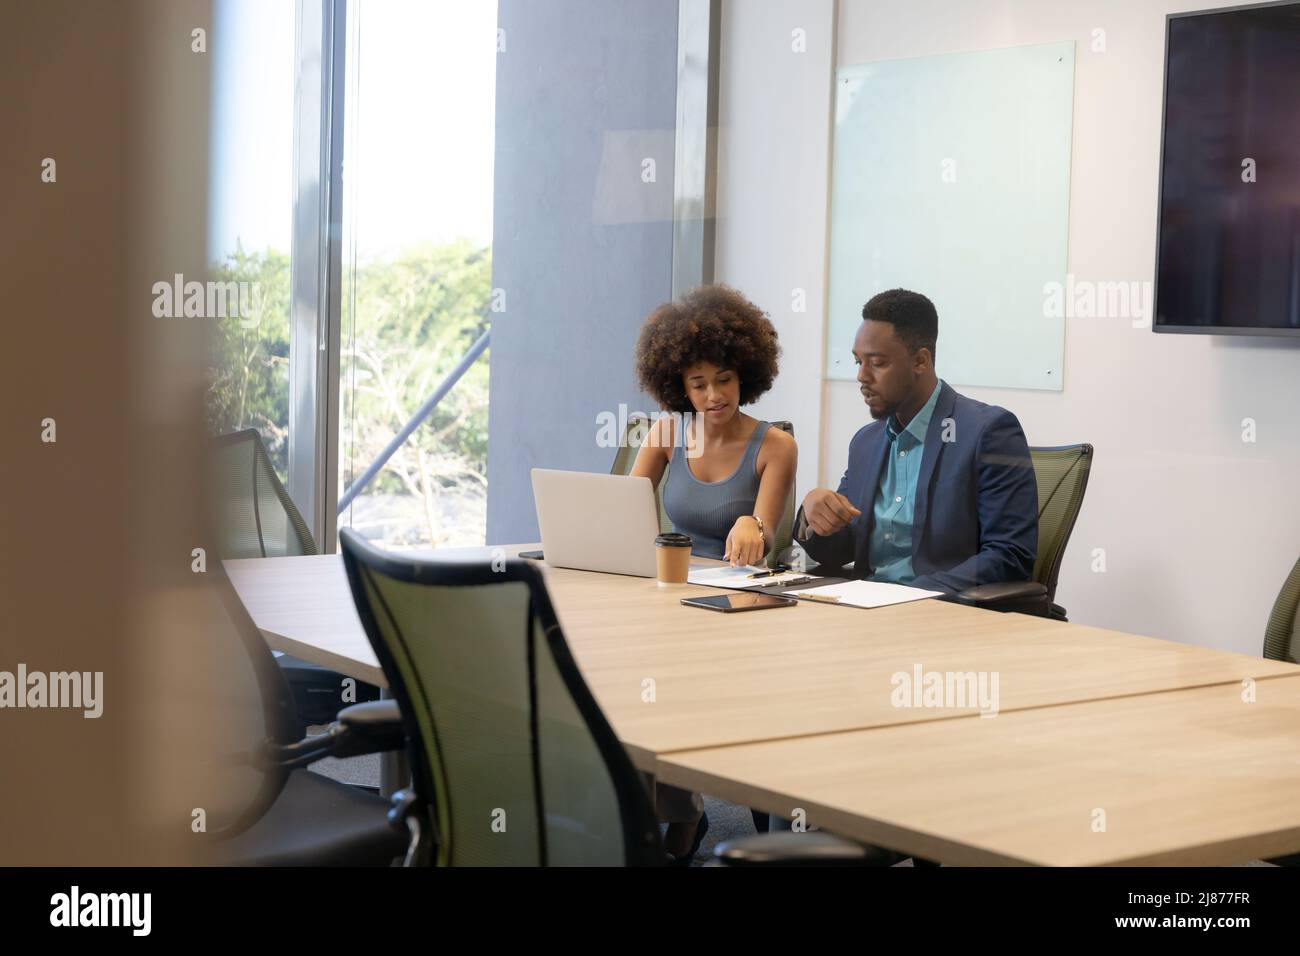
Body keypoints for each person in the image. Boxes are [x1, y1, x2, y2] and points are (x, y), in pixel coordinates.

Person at [629, 283, 797, 863]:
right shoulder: (668, 434)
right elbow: (621, 511)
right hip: (671, 592)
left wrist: (753, 522)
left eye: (723, 378)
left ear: (744, 373)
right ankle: (675, 812)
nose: (712, 394)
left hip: (737, 602)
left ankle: (683, 815)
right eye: (697, 383)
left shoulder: (773, 444)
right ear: (678, 384)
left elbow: (768, 533)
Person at [795, 288, 1037, 592]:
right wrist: (813, 515)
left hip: (942, 616)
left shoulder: (987, 432)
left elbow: (1009, 556)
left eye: (877, 363)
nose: (861, 376)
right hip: (865, 612)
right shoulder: (866, 443)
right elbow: (841, 550)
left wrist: (913, 597)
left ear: (920, 361)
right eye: (858, 361)